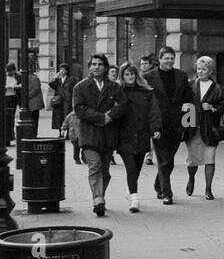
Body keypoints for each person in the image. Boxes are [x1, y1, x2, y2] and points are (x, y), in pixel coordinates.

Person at [71, 54, 125, 217]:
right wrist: (101, 117)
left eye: (100, 64)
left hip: (108, 134)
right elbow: (79, 109)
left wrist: (111, 116)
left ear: (106, 67)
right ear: (89, 67)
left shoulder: (114, 87)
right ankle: (98, 200)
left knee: (105, 170)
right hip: (89, 133)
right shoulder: (80, 87)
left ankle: (100, 196)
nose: (96, 67)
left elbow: (123, 104)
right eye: (93, 64)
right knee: (95, 166)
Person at [145, 46, 191, 204]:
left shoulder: (181, 76)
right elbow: (145, 101)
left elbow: (188, 100)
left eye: (172, 58)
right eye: (166, 58)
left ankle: (158, 185)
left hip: (177, 125)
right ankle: (166, 193)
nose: (169, 61)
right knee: (164, 160)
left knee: (169, 160)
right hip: (158, 125)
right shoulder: (148, 77)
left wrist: (188, 123)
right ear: (159, 59)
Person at [114, 63, 161, 212]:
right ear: (122, 76)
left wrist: (155, 128)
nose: (130, 77)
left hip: (142, 133)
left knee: (138, 167)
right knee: (131, 167)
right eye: (127, 74)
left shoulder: (146, 91)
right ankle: (134, 199)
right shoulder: (117, 92)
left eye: (132, 74)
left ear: (136, 75)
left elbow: (153, 111)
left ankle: (130, 189)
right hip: (124, 134)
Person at [183, 55, 224, 200]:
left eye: (204, 69)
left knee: (210, 158)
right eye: (199, 68)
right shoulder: (190, 85)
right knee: (192, 160)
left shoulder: (218, 88)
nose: (201, 71)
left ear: (210, 71)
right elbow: (183, 104)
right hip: (193, 127)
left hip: (210, 128)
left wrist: (212, 108)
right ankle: (191, 178)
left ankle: (208, 189)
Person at [48, 64, 72, 132]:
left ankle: (67, 133)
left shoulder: (71, 79)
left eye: (63, 70)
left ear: (66, 71)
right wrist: (55, 77)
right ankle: (60, 132)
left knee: (66, 116)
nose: (61, 71)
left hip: (67, 100)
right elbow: (51, 84)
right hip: (59, 100)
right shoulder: (58, 80)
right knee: (59, 117)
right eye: (60, 70)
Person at [3, 62, 21, 146]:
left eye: (11, 72)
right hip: (5, 97)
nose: (9, 73)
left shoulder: (18, 76)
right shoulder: (3, 76)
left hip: (13, 97)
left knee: (10, 117)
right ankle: (7, 135)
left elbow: (21, 85)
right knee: (6, 117)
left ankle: (10, 135)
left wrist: (16, 86)